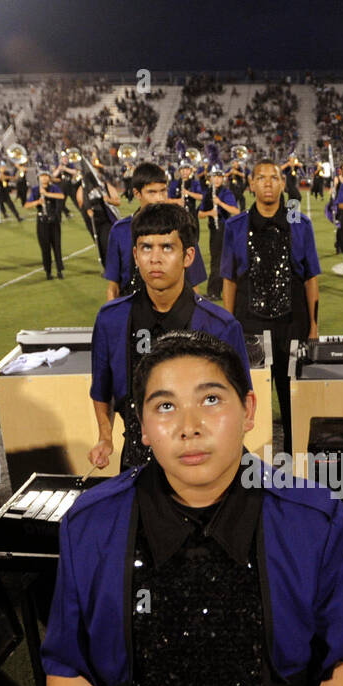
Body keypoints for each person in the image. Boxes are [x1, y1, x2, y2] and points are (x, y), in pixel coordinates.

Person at [42, 330, 343, 686]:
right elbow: (71, 665)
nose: (189, 428)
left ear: (248, 410)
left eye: (210, 399)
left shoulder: (316, 520)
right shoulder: (89, 525)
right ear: (142, 426)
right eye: (165, 407)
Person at [88, 203, 250, 473]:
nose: (155, 258)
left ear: (188, 256)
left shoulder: (221, 327)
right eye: (146, 247)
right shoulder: (110, 320)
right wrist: (105, 437)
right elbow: (102, 391)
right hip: (136, 466)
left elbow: (240, 403)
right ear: (135, 256)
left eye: (167, 247)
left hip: (204, 465)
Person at [221, 157, 321, 452]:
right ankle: (253, 465)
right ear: (251, 184)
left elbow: (311, 278)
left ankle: (295, 459)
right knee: (253, 398)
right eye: (261, 177)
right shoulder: (235, 226)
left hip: (293, 322)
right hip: (249, 323)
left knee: (293, 395)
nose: (267, 182)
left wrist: (313, 324)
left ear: (282, 183)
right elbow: (229, 279)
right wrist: (229, 324)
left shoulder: (300, 224)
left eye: (274, 177)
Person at [105, 162, 207, 299]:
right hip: (131, 313)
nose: (159, 198)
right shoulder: (120, 231)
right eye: (152, 192)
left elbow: (193, 286)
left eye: (163, 191)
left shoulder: (183, 226)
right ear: (137, 193)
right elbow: (113, 288)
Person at [200, 159, 241, 300]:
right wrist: (209, 213)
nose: (216, 180)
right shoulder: (207, 193)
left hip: (224, 229)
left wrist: (220, 203)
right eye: (214, 177)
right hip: (213, 229)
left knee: (219, 261)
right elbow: (200, 214)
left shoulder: (226, 192)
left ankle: (215, 292)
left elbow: (236, 211)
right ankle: (213, 291)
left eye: (219, 177)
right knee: (214, 260)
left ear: (222, 179)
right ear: (210, 179)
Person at [25, 169, 66, 279]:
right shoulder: (35, 190)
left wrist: (47, 194)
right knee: (45, 247)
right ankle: (48, 271)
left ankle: (59, 270)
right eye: (42, 176)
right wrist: (37, 202)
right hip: (42, 221)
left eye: (46, 176)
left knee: (57, 246)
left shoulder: (54, 188)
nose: (44, 178)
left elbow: (61, 196)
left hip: (54, 220)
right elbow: (27, 205)